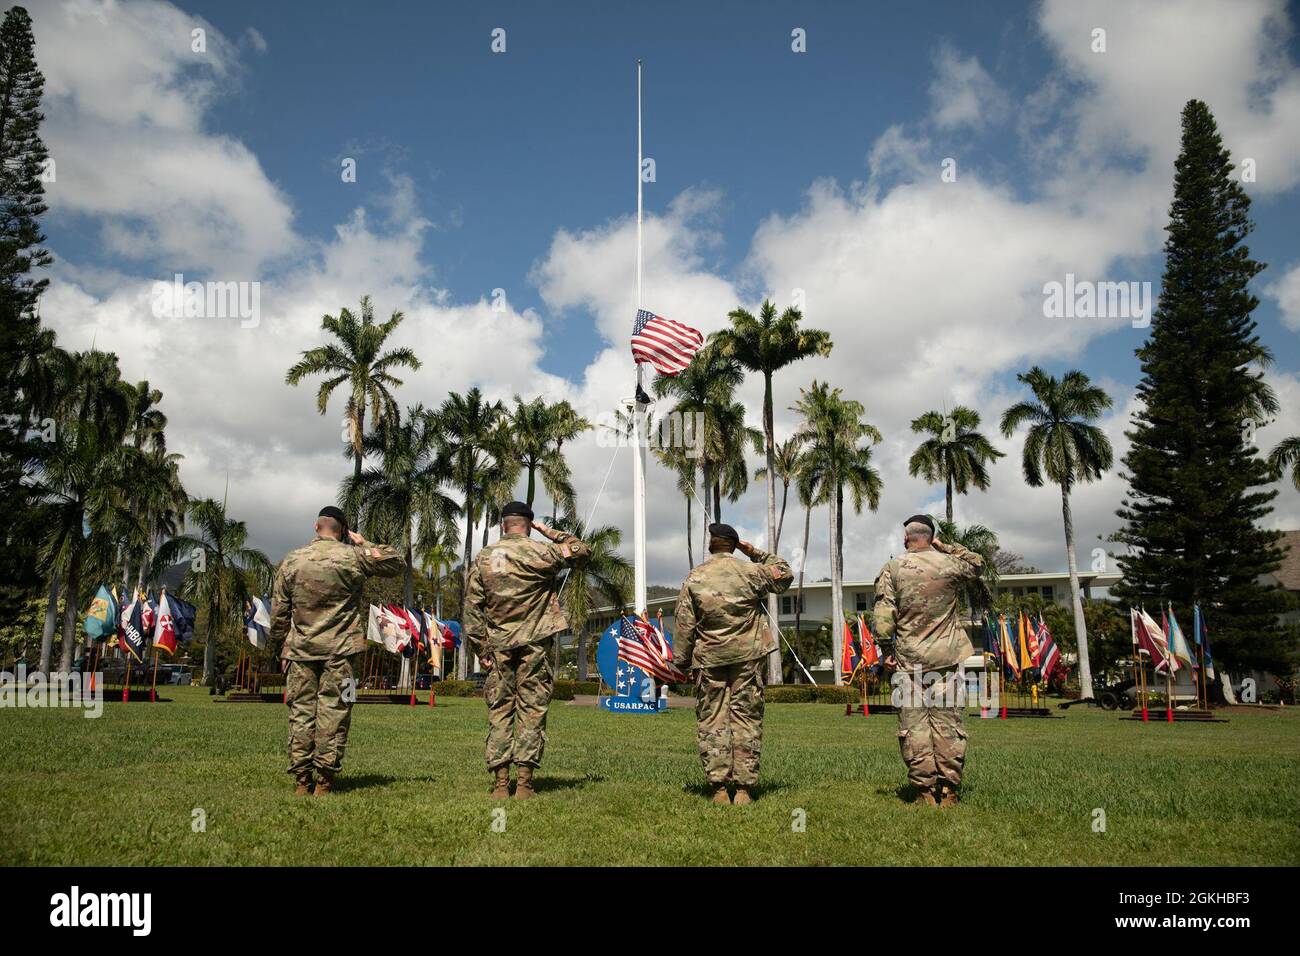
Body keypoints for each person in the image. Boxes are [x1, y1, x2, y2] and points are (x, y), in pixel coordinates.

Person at [270, 506, 404, 796]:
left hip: (300, 651)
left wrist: (280, 648)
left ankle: (302, 779)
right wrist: (363, 542)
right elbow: (396, 562)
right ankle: (326, 779)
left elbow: (279, 611)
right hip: (342, 652)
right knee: (337, 709)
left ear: (316, 527)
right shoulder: (353, 557)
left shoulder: (292, 560)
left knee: (301, 711)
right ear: (343, 530)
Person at [464, 501, 590, 800]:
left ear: (502, 525)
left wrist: (481, 647)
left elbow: (471, 609)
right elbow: (582, 551)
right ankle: (524, 784)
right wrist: (551, 532)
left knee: (500, 710)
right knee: (532, 709)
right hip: (535, 644)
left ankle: (499, 785)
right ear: (529, 524)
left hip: (499, 646)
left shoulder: (484, 557)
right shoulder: (540, 552)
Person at [673, 523, 792, 805]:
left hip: (709, 658)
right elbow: (785, 573)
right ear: (733, 545)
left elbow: (684, 623)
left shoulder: (695, 576)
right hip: (748, 657)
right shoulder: (752, 571)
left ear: (711, 544)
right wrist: (754, 552)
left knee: (712, 719)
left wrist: (680, 660)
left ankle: (718, 789)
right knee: (746, 718)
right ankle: (742, 789)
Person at [872, 514, 983, 808]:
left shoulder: (893, 568)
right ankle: (948, 791)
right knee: (948, 724)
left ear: (906, 539)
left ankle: (924, 792)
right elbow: (977, 564)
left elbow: (884, 615)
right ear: (930, 537)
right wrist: (947, 547)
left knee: (914, 725)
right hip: (946, 658)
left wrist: (886, 650)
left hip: (909, 661)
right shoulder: (950, 564)